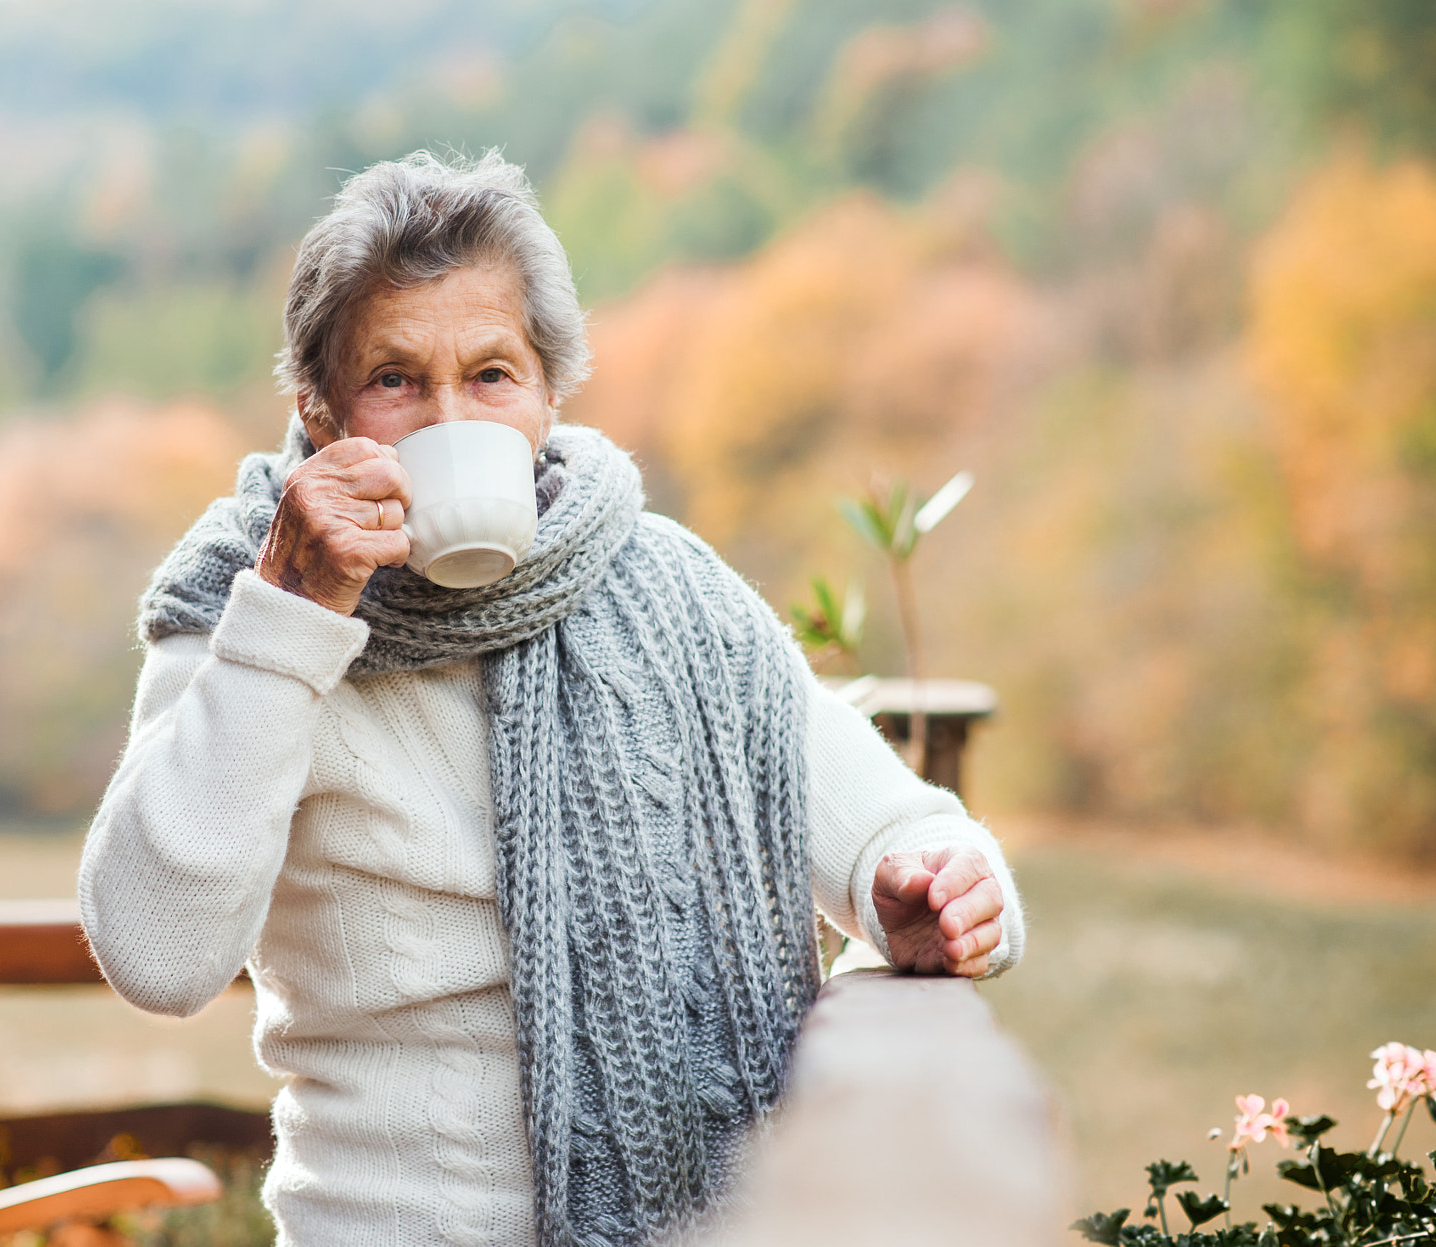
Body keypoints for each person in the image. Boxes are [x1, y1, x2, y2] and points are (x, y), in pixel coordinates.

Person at [79, 150, 1024, 1247]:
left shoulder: (670, 593)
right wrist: (293, 608)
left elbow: (903, 830)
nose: (445, 420)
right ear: (320, 410)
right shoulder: (249, 609)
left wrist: (932, 895)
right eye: (393, 379)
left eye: (489, 374)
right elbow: (154, 953)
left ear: (545, 395)